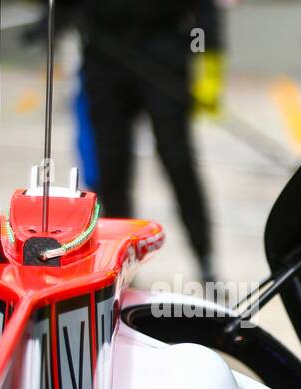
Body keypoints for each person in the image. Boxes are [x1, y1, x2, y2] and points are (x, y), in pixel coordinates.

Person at [63, 0, 222, 283]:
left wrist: (207, 54)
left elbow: (204, 8)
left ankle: (205, 259)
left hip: (163, 50)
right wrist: (55, 17)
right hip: (104, 51)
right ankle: (120, 267)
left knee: (178, 159)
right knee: (110, 166)